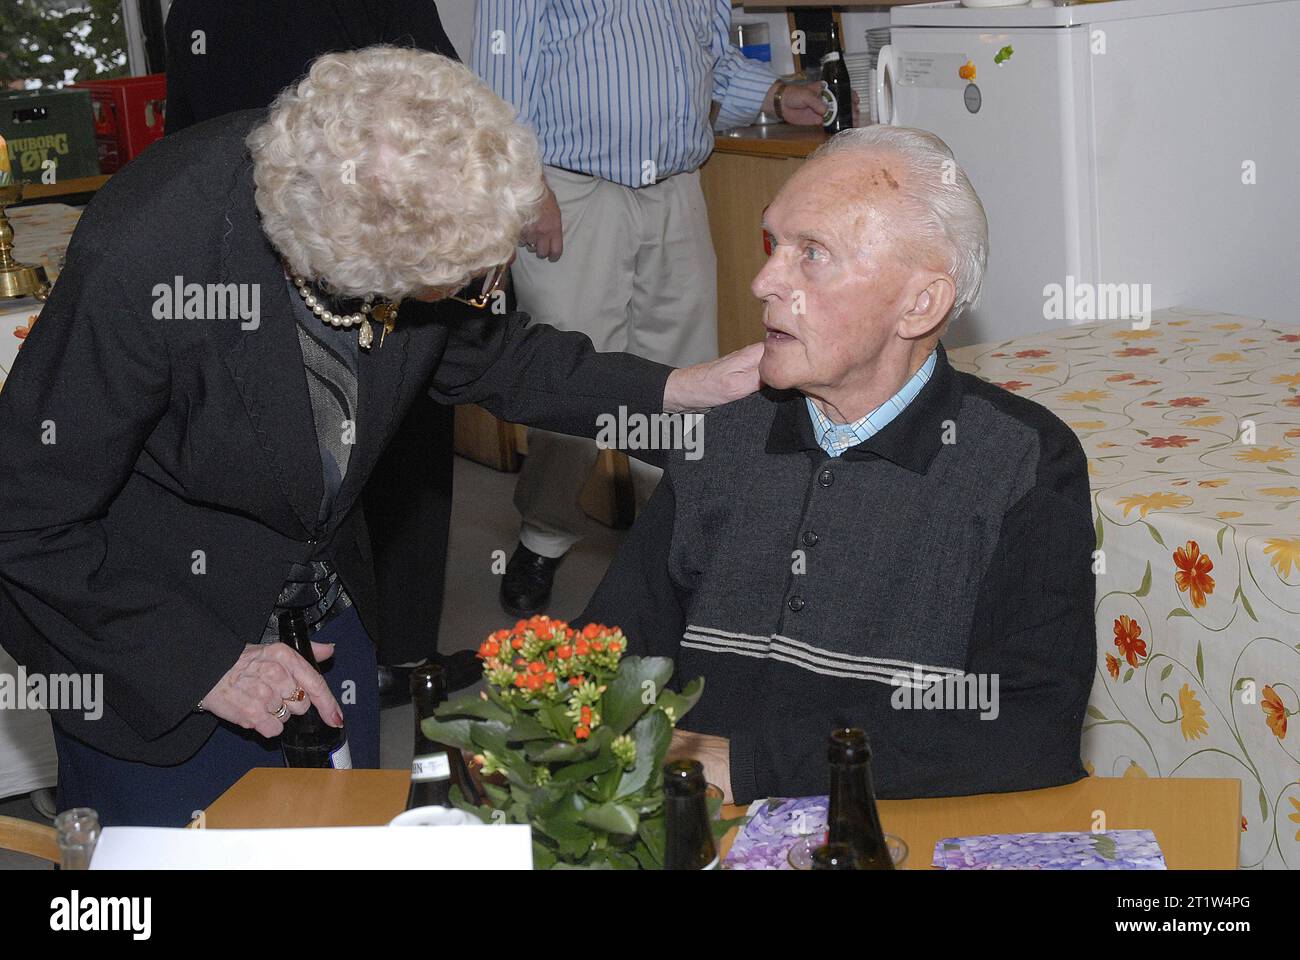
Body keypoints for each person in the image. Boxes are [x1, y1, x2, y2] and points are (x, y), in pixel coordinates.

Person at [0, 48, 758, 826]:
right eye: (458, 284)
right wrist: (200, 666)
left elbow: (482, 354)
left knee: (344, 837)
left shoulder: (404, 207)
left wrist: (678, 390)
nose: (481, 295)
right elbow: (23, 517)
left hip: (325, 606)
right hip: (153, 639)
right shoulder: (150, 250)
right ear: (354, 266)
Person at [578, 126, 1097, 803]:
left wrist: (754, 765)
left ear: (921, 304)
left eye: (812, 254)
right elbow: (601, 660)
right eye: (774, 245)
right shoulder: (720, 439)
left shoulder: (1023, 459)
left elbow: (1030, 723)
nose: (764, 280)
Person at [473, 0, 835, 618]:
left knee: (689, 376)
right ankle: (543, 538)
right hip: (571, 191)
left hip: (675, 187)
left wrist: (774, 95)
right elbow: (497, 85)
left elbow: (714, 63)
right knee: (569, 376)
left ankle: (673, 536)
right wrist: (527, 189)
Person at [164, 0, 478, 698]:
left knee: (286, 458)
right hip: (355, 251)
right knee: (398, 450)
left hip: (242, 251)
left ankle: (318, 642)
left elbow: (179, 140)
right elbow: (445, 103)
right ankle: (392, 654)